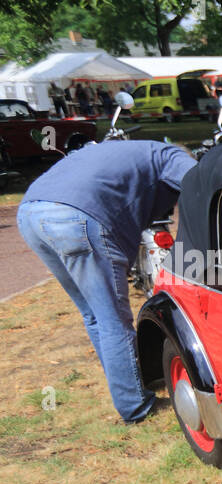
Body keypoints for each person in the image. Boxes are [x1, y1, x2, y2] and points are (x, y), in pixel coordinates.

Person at [16, 140, 196, 423]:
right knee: (113, 318)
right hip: (77, 217)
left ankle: (129, 383)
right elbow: (198, 183)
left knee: (94, 314)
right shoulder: (172, 155)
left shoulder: (130, 152)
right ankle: (136, 407)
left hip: (31, 213)